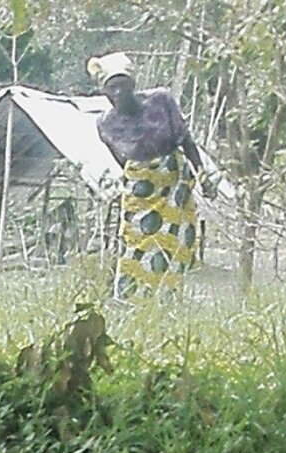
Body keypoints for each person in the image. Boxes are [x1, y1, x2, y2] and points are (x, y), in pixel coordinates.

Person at [91, 52, 220, 292]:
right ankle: (131, 302)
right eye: (112, 87)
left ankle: (168, 300)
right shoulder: (105, 123)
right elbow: (123, 162)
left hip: (174, 188)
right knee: (133, 248)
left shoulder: (161, 101)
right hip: (139, 193)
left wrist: (203, 178)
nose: (119, 92)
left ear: (133, 83)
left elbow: (187, 142)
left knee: (174, 246)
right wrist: (143, 180)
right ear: (104, 92)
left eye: (123, 85)